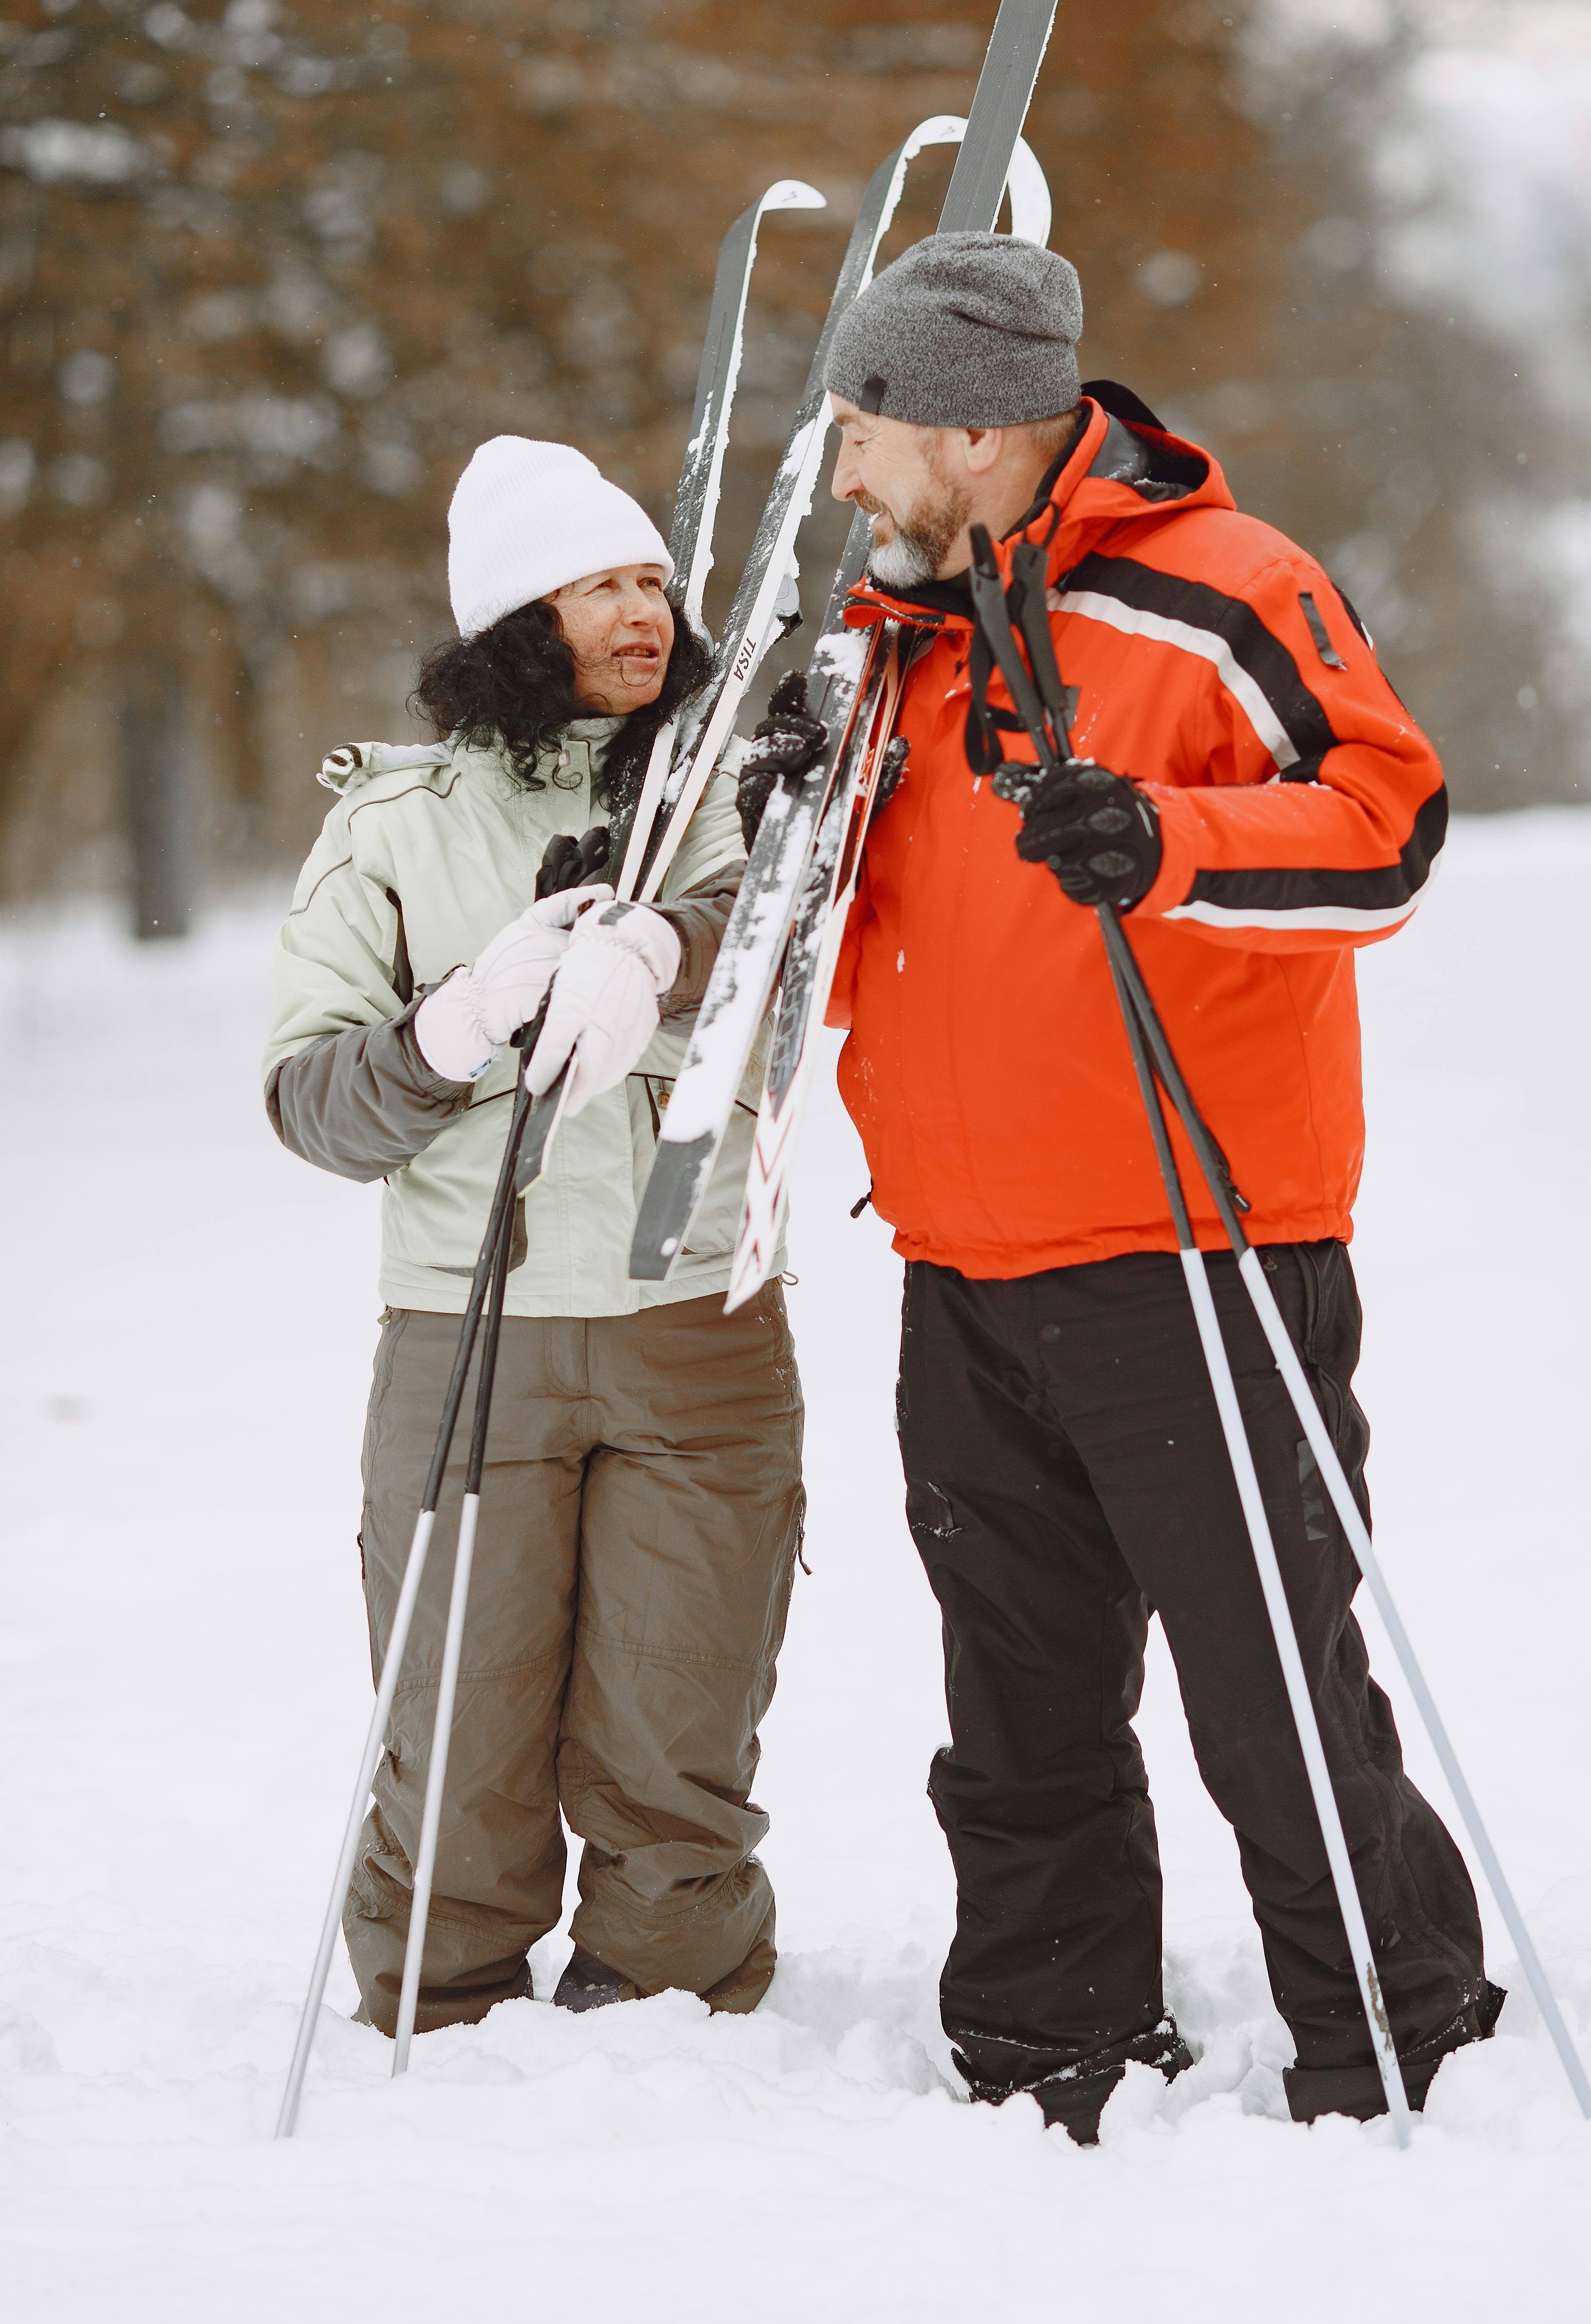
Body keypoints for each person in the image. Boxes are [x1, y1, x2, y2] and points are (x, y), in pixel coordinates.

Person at [750, 231, 1502, 2142]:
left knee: (1266, 1686)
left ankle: (1393, 2029)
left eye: (859, 429)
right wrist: (772, 790)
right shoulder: (890, 636)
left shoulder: (1227, 590)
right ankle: (1043, 2037)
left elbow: (1389, 828)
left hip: (1197, 1251)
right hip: (960, 1261)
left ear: (971, 430)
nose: (840, 470)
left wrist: (1169, 839)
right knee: (1016, 1705)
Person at [263, 434, 803, 2036]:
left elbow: (784, 928)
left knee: (677, 1738)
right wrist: (449, 1031)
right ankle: (440, 2013)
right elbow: (311, 1107)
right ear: (516, 620)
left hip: (693, 1318)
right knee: (460, 1730)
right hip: (464, 1340)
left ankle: (672, 2024)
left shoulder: (721, 793)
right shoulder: (393, 827)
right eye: (603, 586)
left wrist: (668, 947)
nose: (648, 611)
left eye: (656, 580)